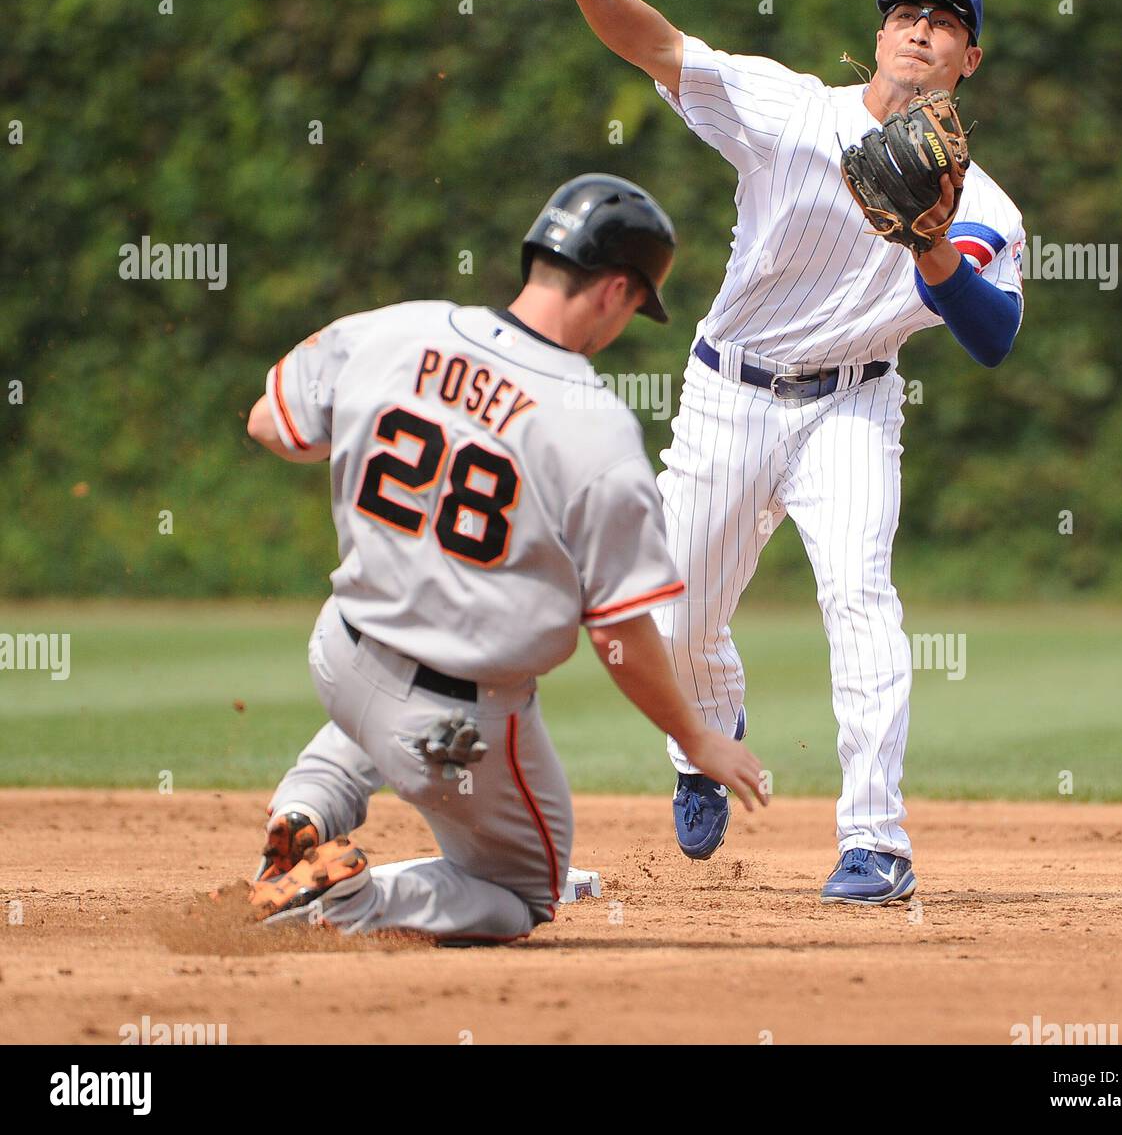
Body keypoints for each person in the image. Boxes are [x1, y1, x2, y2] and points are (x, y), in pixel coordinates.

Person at [520, 0, 1025, 905]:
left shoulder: (983, 205)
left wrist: (928, 243)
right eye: (904, 12)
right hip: (728, 394)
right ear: (877, 37)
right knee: (680, 614)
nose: (920, 27)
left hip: (852, 403)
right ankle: (704, 740)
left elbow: (991, 333)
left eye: (945, 20)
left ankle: (875, 841)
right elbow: (660, 47)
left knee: (861, 601)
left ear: (969, 60)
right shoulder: (789, 109)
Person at [243, 174, 767, 941]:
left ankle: (309, 806)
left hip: (340, 653)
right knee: (523, 892)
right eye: (636, 303)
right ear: (615, 290)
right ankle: (343, 903)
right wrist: (696, 738)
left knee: (376, 702)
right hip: (451, 720)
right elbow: (618, 632)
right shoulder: (595, 432)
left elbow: (271, 424)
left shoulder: (398, 330)